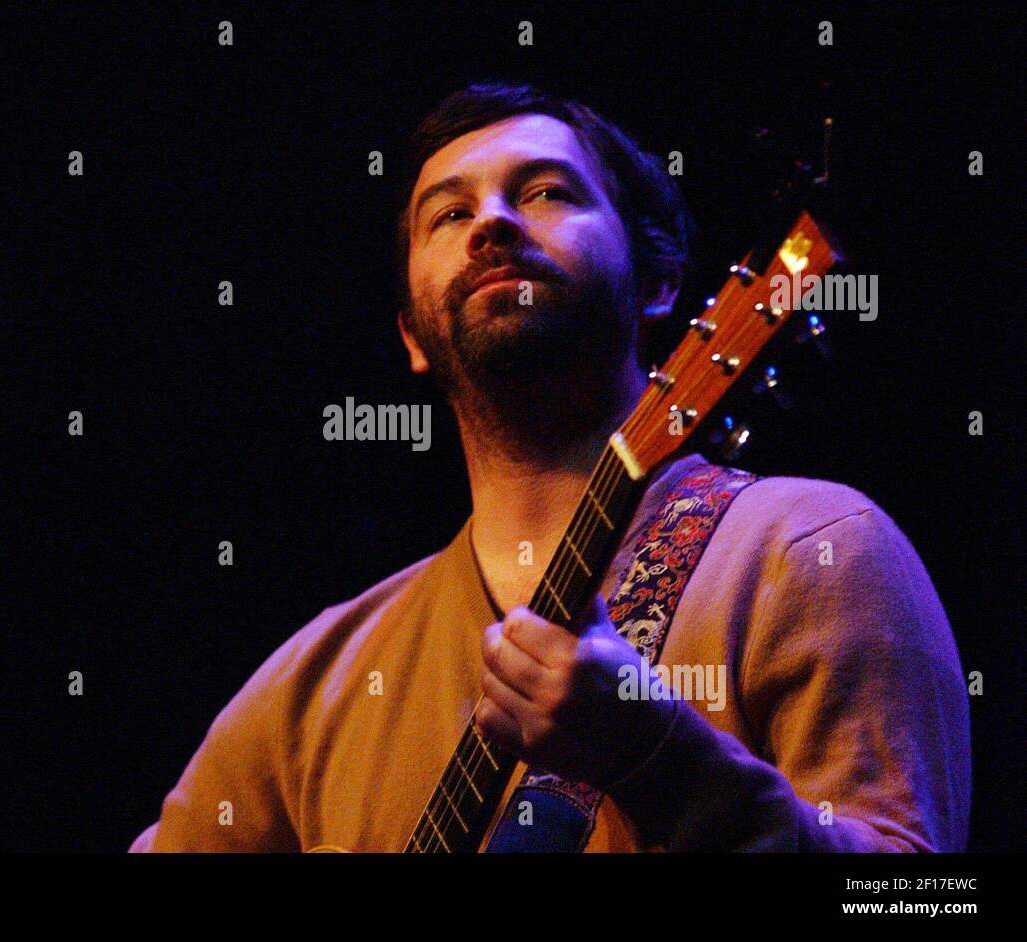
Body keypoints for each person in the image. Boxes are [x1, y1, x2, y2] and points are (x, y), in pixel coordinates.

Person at [132, 82, 970, 852]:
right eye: (448, 214)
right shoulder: (312, 687)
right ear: (412, 337)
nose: (492, 223)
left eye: (545, 192)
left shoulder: (812, 549)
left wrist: (659, 759)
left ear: (659, 281)